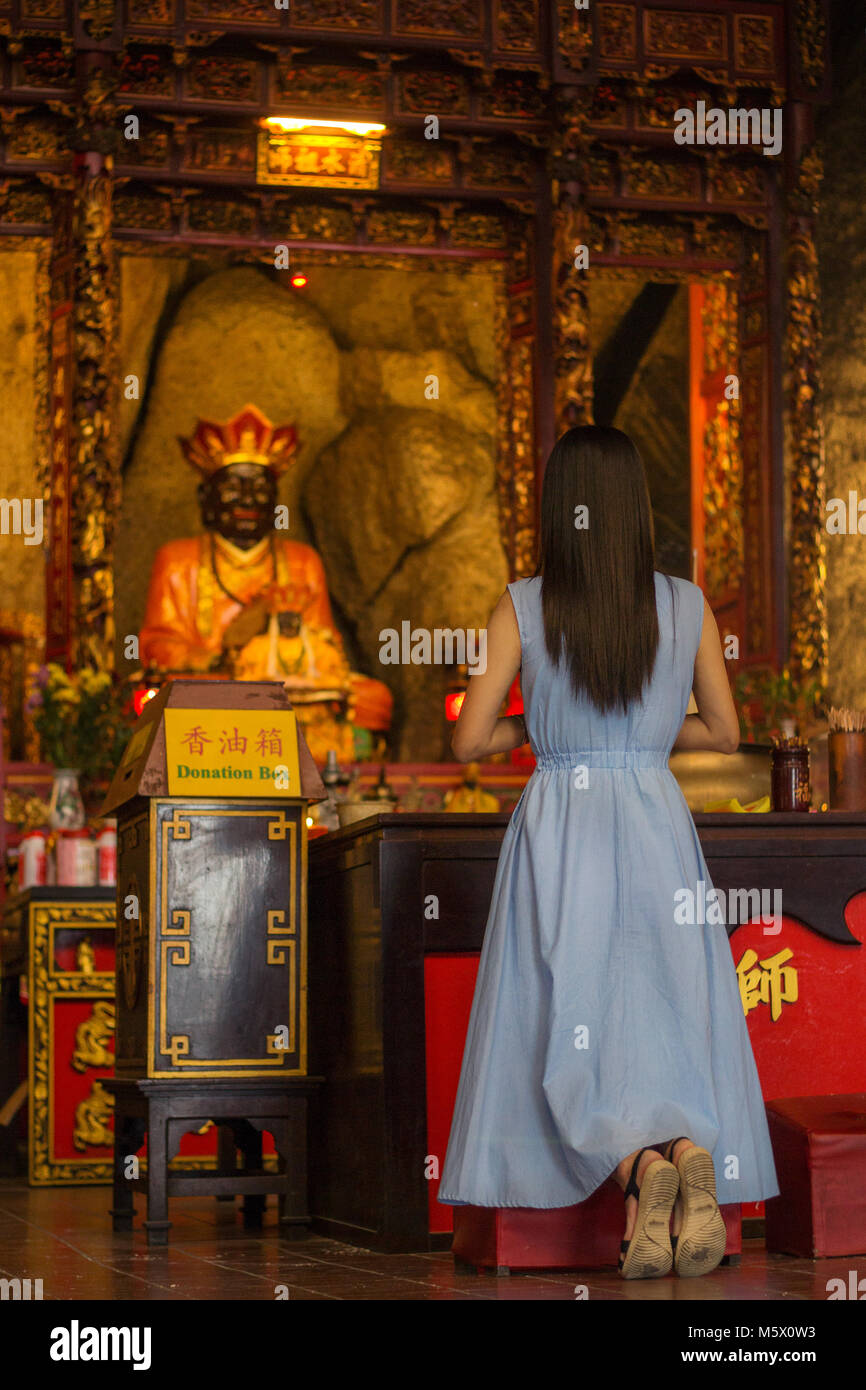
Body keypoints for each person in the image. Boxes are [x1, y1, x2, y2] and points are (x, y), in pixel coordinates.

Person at [437, 424, 779, 1280]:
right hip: (656, 818)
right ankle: (685, 1147)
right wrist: (651, 731)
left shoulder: (523, 605)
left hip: (563, 817)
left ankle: (639, 1171)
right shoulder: (686, 604)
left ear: (561, 508)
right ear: (637, 510)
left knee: (559, 1011)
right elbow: (728, 731)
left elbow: (468, 741)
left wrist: (543, 728)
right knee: (660, 1007)